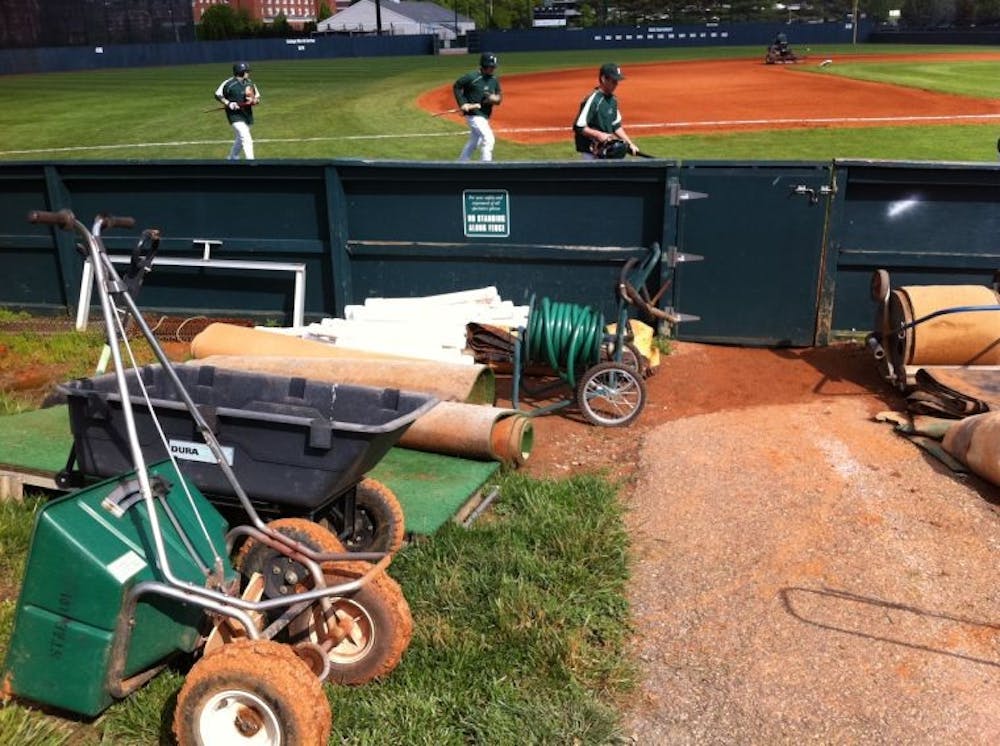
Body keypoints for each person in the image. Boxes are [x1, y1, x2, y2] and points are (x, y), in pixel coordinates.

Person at [573, 62, 639, 160]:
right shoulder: (594, 100)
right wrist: (599, 135)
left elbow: (616, 126)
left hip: (605, 151)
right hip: (591, 153)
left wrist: (630, 144)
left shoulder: (613, 100)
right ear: (604, 79)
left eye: (617, 81)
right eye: (614, 81)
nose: (616, 84)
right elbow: (579, 126)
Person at [453, 53, 502, 162]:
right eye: (491, 66)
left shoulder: (494, 80)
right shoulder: (472, 77)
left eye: (494, 66)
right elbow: (457, 86)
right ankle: (485, 167)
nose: (493, 69)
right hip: (474, 116)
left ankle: (461, 163)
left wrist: (494, 99)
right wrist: (463, 103)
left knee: (474, 141)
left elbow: (499, 98)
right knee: (489, 139)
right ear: (484, 65)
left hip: (484, 116)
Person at [215, 61, 260, 161]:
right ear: (240, 72)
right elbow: (218, 94)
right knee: (246, 137)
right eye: (246, 71)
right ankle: (251, 162)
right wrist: (228, 103)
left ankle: (232, 157)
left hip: (247, 115)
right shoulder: (229, 84)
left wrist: (254, 101)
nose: (248, 73)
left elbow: (257, 97)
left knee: (240, 138)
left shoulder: (249, 83)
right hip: (234, 116)